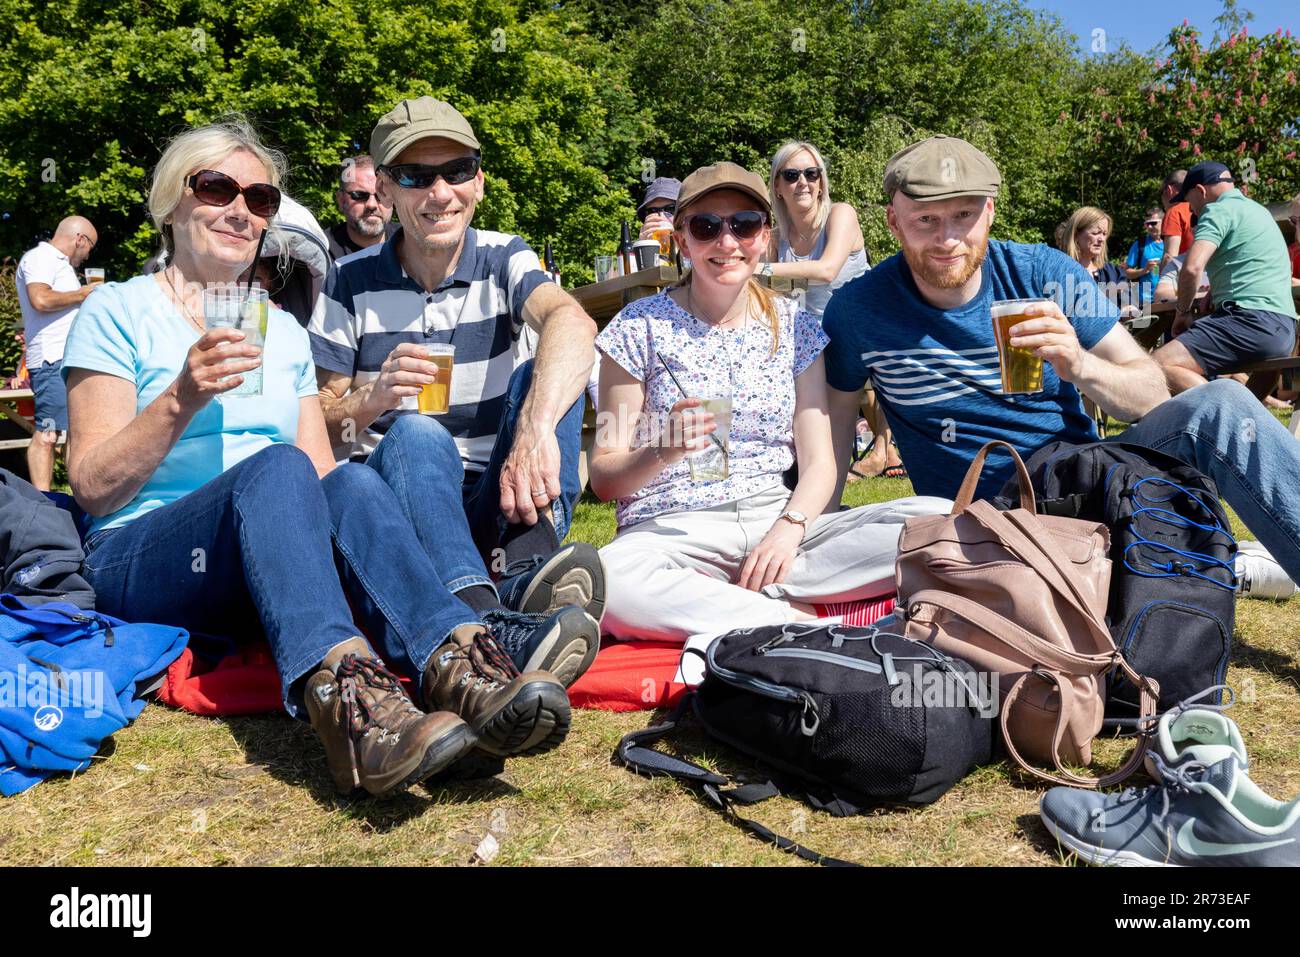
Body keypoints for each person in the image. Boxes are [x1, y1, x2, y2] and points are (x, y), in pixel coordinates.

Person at [62, 118, 586, 800]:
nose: (240, 210)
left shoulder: (277, 328)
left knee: (345, 480)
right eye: (217, 187)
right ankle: (353, 706)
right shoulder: (115, 309)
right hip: (147, 556)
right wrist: (180, 398)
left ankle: (460, 668)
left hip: (265, 566)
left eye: (260, 199)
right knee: (279, 467)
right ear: (171, 203)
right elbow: (93, 488)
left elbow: (324, 478)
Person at [822, 134, 1300, 599]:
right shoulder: (859, 309)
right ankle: (1222, 565)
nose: (947, 239)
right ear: (893, 222)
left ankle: (1232, 561)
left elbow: (1151, 393)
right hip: (976, 517)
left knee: (1220, 404)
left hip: (1079, 485)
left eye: (963, 215)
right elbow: (835, 423)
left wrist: (1080, 365)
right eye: (925, 219)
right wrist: (816, 525)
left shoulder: (1042, 273)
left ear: (989, 212)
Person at [590, 162, 947, 644]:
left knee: (941, 519)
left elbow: (820, 464)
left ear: (765, 235)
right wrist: (662, 450)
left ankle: (727, 603)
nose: (726, 241)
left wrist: (790, 526)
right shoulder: (638, 327)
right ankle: (813, 625)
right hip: (671, 530)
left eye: (744, 224)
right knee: (609, 581)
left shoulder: (794, 325)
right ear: (681, 237)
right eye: (706, 226)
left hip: (774, 523)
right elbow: (604, 477)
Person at [311, 97, 606, 679]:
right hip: (403, 506)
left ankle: (525, 567)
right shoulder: (349, 278)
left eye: (457, 171)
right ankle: (486, 614)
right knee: (419, 433)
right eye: (416, 177)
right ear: (387, 190)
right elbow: (319, 416)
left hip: (502, 495)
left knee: (547, 372)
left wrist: (534, 428)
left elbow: (574, 323)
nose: (440, 193)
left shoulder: (504, 255)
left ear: (479, 181)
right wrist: (372, 399)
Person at [1153, 161, 1297, 395]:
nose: (1193, 212)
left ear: (1200, 191)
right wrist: (1214, 292)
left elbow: (1191, 269)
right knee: (1248, 401)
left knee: (1156, 364)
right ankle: (1242, 423)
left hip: (1249, 323)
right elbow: (1254, 264)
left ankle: (1220, 409)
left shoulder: (1217, 209)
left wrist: (1182, 312)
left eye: (1190, 204)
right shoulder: (1259, 211)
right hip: (1285, 333)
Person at [14, 216, 98, 491]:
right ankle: (43, 502)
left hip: (69, 358)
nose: (87, 256)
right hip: (52, 358)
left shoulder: (58, 265)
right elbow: (40, 299)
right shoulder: (41, 257)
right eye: (90, 248)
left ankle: (79, 496)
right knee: (48, 433)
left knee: (77, 431)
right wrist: (84, 294)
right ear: (80, 240)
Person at [325, 155, 397, 261]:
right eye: (359, 195)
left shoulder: (413, 244)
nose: (371, 204)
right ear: (341, 200)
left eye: (382, 195)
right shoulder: (322, 251)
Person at [1060, 206, 1126, 298]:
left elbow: (1129, 300)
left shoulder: (1113, 273)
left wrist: (1128, 307)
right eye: (1095, 233)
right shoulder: (1060, 272)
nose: (1102, 239)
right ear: (1075, 235)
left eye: (1104, 234)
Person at [1124, 207, 1165, 306]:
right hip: (1145, 301)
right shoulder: (1139, 244)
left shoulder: (1173, 243)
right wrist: (1144, 270)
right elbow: (1127, 273)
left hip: (1168, 297)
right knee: (1147, 322)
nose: (1149, 227)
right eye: (1147, 224)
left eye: (1153, 223)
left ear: (1163, 222)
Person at [1159, 169, 1194, 272]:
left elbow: (1170, 258)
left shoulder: (1174, 212)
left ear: (1169, 189)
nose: (1161, 197)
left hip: (1183, 280)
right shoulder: (1202, 208)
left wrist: (1163, 283)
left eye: (1161, 192)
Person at [637, 176, 681, 242]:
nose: (661, 217)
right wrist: (644, 247)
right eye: (652, 211)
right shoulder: (636, 250)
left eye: (671, 209)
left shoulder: (700, 248)